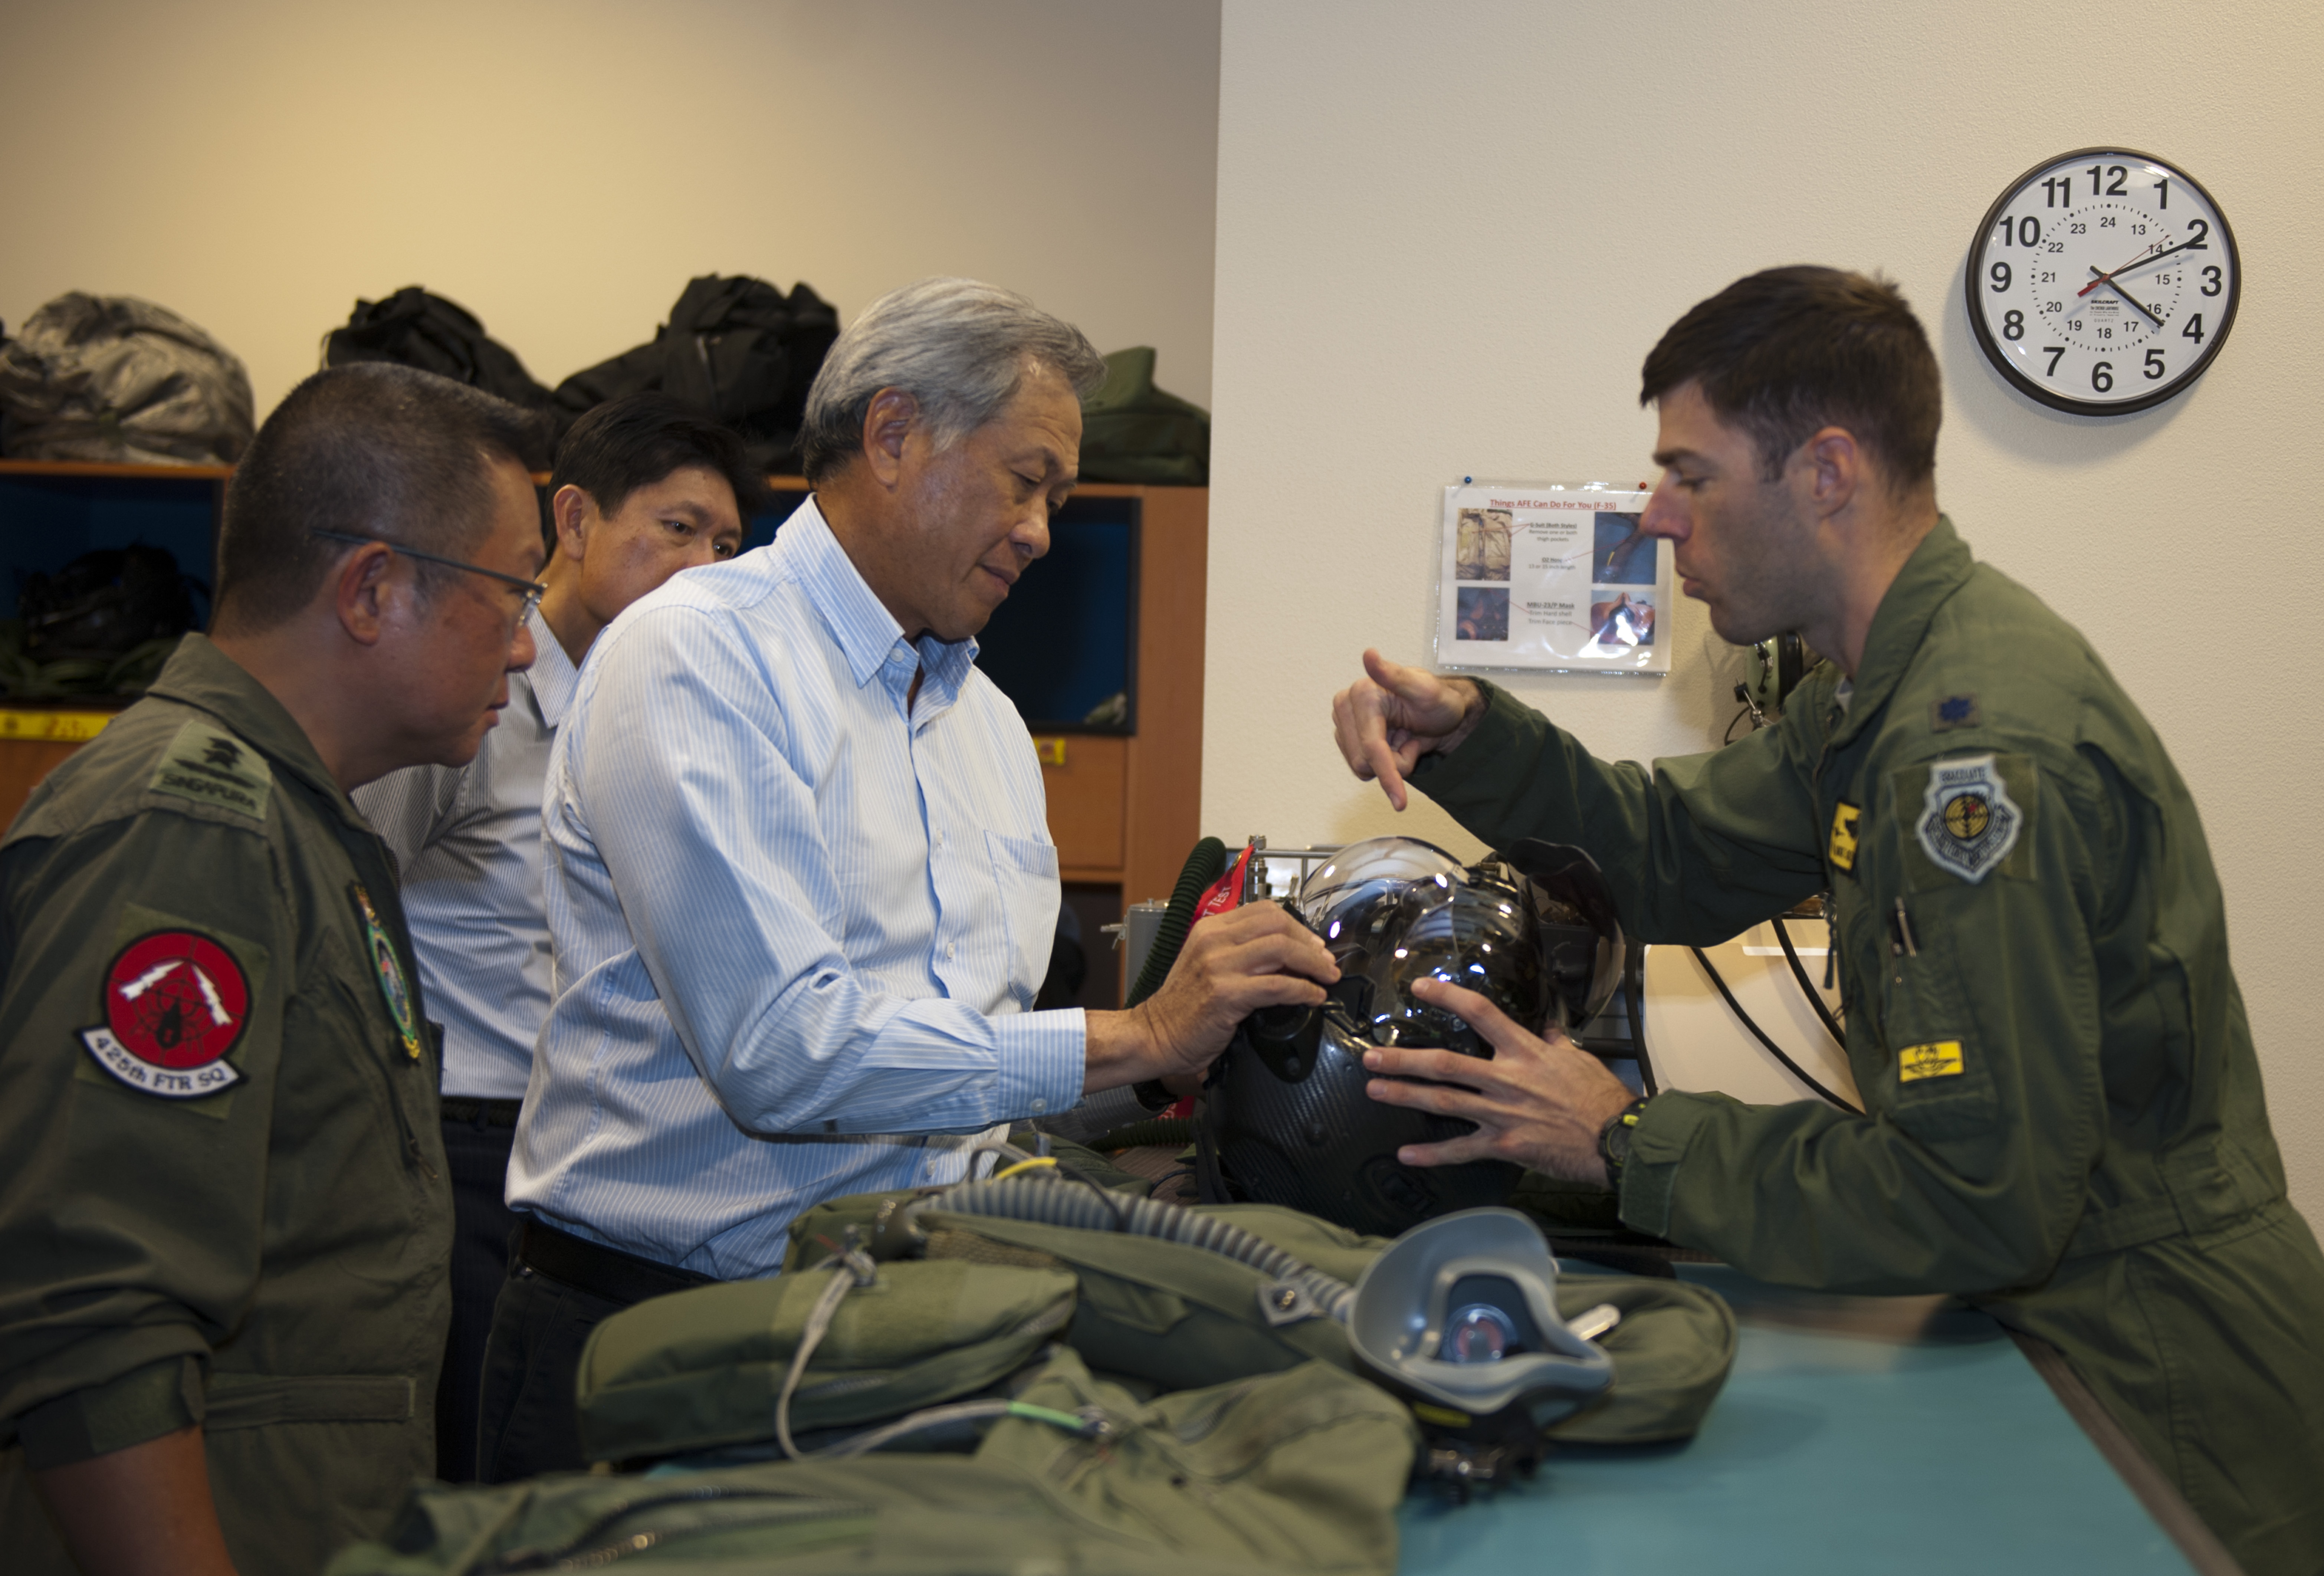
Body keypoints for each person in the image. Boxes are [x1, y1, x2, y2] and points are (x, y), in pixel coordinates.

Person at [1332, 267, 2324, 1576]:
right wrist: (1475, 739)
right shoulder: (1882, 695)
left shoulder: (1970, 748)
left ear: (1826, 471)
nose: (1656, 518)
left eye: (1689, 476)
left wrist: (1630, 1139)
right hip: (2091, 1335)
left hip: (2167, 1387)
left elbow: (1978, 1194)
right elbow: (1671, 852)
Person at [481, 278, 1336, 1482]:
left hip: (894, 1335)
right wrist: (1134, 1032)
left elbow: (961, 1074)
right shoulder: (700, 656)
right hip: (657, 1347)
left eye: (1060, 496)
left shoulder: (985, 726)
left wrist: (1164, 1070)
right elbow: (783, 1052)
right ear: (893, 437)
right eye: (1025, 480)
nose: (1043, 530)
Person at [0, 363, 546, 1576]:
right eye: (515, 593)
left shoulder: (302, 826)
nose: (524, 648)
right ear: (373, 589)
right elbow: (99, 1323)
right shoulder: (188, 829)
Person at [351, 394, 766, 1482]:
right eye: (677, 528)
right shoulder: (470, 702)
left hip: (588, 1156)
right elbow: (346, 902)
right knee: (478, 1477)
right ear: (574, 521)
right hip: (462, 1145)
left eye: (727, 545)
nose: (707, 566)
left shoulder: (671, 714)